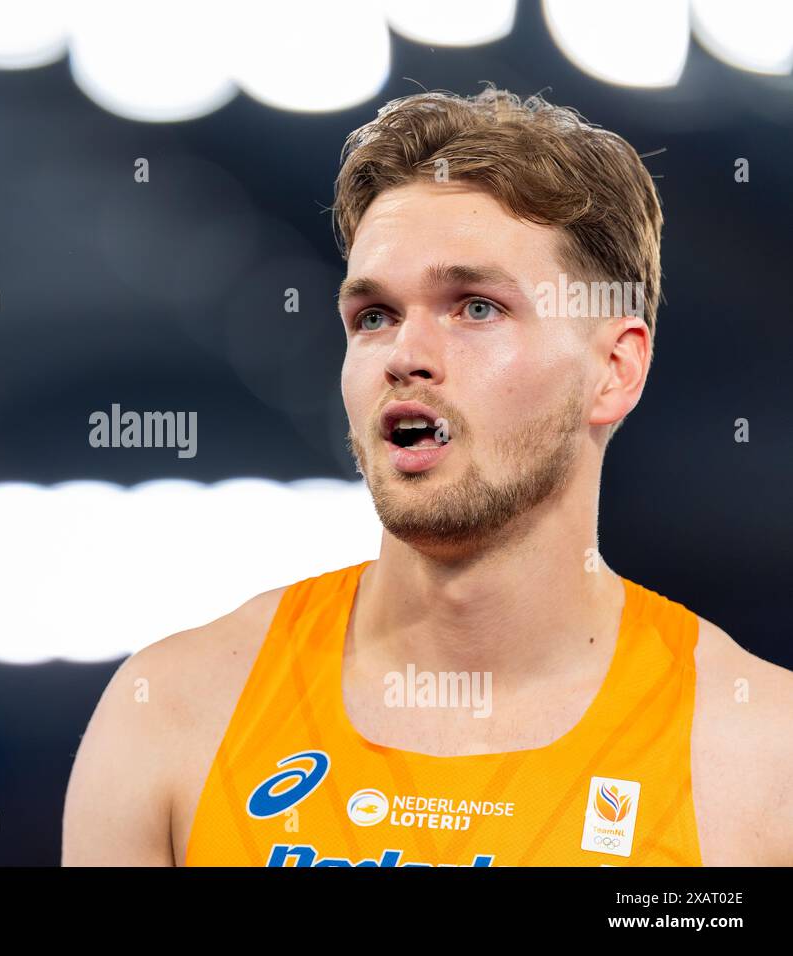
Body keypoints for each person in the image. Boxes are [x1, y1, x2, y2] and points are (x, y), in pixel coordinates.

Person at [62, 88, 793, 866]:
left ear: (614, 371)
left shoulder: (755, 756)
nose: (404, 354)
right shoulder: (175, 711)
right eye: (373, 315)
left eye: (474, 308)